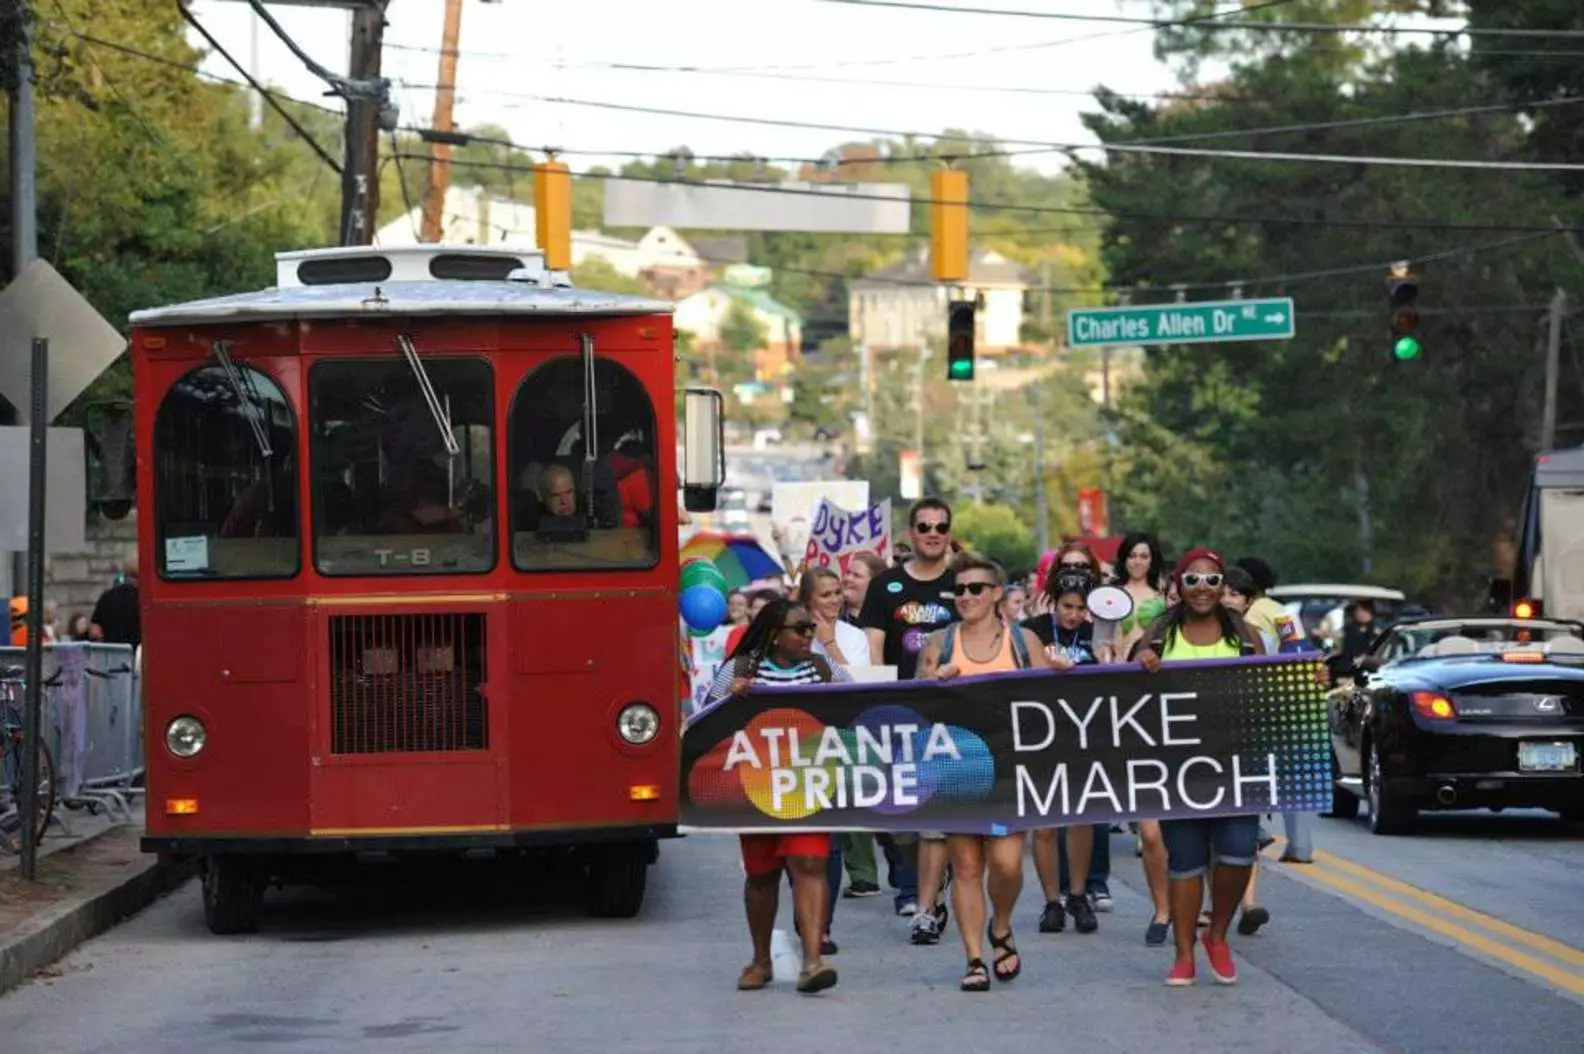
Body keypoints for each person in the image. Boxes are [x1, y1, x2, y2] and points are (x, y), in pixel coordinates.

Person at [1132, 548, 1265, 986]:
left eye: (1212, 581)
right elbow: (1123, 696)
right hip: (1177, 770)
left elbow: (1270, 690)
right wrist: (1141, 667)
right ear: (1179, 586)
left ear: (1223, 585)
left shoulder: (1245, 636)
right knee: (1185, 863)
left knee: (1239, 852)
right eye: (1193, 580)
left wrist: (1308, 680)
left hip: (1234, 767)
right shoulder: (1160, 633)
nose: (1203, 589)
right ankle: (1184, 953)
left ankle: (1219, 935)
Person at [915, 552, 1046, 992]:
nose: (965, 596)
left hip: (1010, 772)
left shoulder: (1024, 642)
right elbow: (914, 705)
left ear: (995, 594)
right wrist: (933, 682)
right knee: (967, 866)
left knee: (1007, 864)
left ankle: (1002, 925)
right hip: (957, 768)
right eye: (959, 589)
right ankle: (974, 957)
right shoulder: (940, 642)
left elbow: (1054, 705)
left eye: (975, 589)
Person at [707, 598, 851, 995]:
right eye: (800, 629)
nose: (810, 635)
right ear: (774, 635)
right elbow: (705, 723)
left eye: (811, 628)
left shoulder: (823, 669)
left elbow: (856, 704)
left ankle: (812, 961)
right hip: (755, 788)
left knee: (809, 863)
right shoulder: (738, 669)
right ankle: (760, 959)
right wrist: (729, 699)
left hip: (807, 784)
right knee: (762, 872)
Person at [860, 498, 960, 934]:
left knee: (934, 818)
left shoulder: (963, 586)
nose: (933, 533)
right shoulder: (885, 586)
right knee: (899, 820)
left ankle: (925, 903)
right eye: (925, 526)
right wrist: (876, 701)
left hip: (947, 714)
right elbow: (874, 646)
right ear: (912, 532)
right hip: (899, 713)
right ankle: (923, 881)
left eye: (941, 526)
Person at [1020, 568, 1102, 937]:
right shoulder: (1034, 630)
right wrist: (1045, 665)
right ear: (1053, 602)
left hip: (1084, 732)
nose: (1073, 615)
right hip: (1041, 732)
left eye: (1080, 608)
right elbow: (1019, 668)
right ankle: (1052, 901)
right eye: (1067, 607)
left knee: (1080, 818)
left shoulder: (1096, 631)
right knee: (1045, 822)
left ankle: (1079, 895)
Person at [90, 561, 140, 651]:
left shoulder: (106, 596)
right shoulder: (143, 599)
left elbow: (95, 631)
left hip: (112, 655)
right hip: (139, 656)